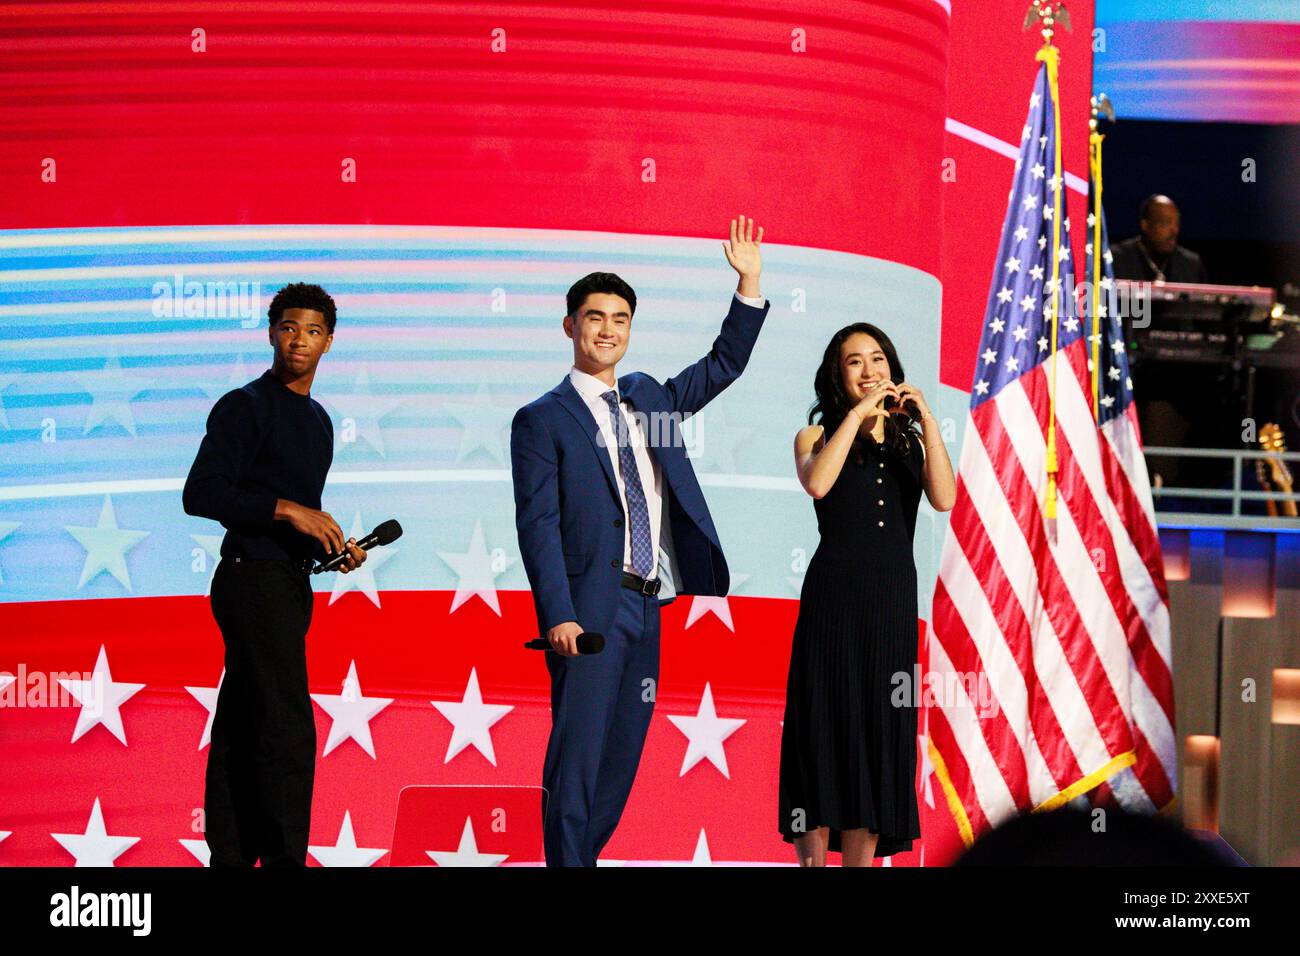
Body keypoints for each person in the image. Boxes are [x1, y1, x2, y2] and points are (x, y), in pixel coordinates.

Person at [511, 216, 769, 866]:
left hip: (649, 609)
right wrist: (559, 615)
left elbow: (722, 367)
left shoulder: (648, 397)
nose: (607, 329)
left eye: (620, 318)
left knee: (620, 763)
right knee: (577, 759)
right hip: (590, 611)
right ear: (570, 326)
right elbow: (537, 525)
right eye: (594, 317)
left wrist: (749, 282)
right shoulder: (542, 419)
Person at [182, 282, 367, 867]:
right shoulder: (245, 405)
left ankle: (232, 857)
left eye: (313, 331)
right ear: (271, 333)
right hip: (248, 580)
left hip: (289, 583)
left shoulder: (317, 421)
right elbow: (201, 492)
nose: (299, 341)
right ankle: (285, 859)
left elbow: (298, 524)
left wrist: (331, 550)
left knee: (244, 717)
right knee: (287, 725)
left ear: (330, 342)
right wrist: (286, 509)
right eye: (289, 328)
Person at [778, 323, 955, 866]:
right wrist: (856, 417)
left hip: (891, 603)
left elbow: (945, 498)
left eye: (877, 359)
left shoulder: (911, 435)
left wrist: (925, 415)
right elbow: (819, 484)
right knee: (823, 725)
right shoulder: (816, 435)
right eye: (854, 362)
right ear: (838, 375)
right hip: (834, 600)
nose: (869, 370)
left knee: (879, 730)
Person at [1110, 194, 1207, 284]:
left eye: (1177, 224)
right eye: (1166, 222)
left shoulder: (1190, 265)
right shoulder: (1116, 259)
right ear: (1145, 225)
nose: (1174, 231)